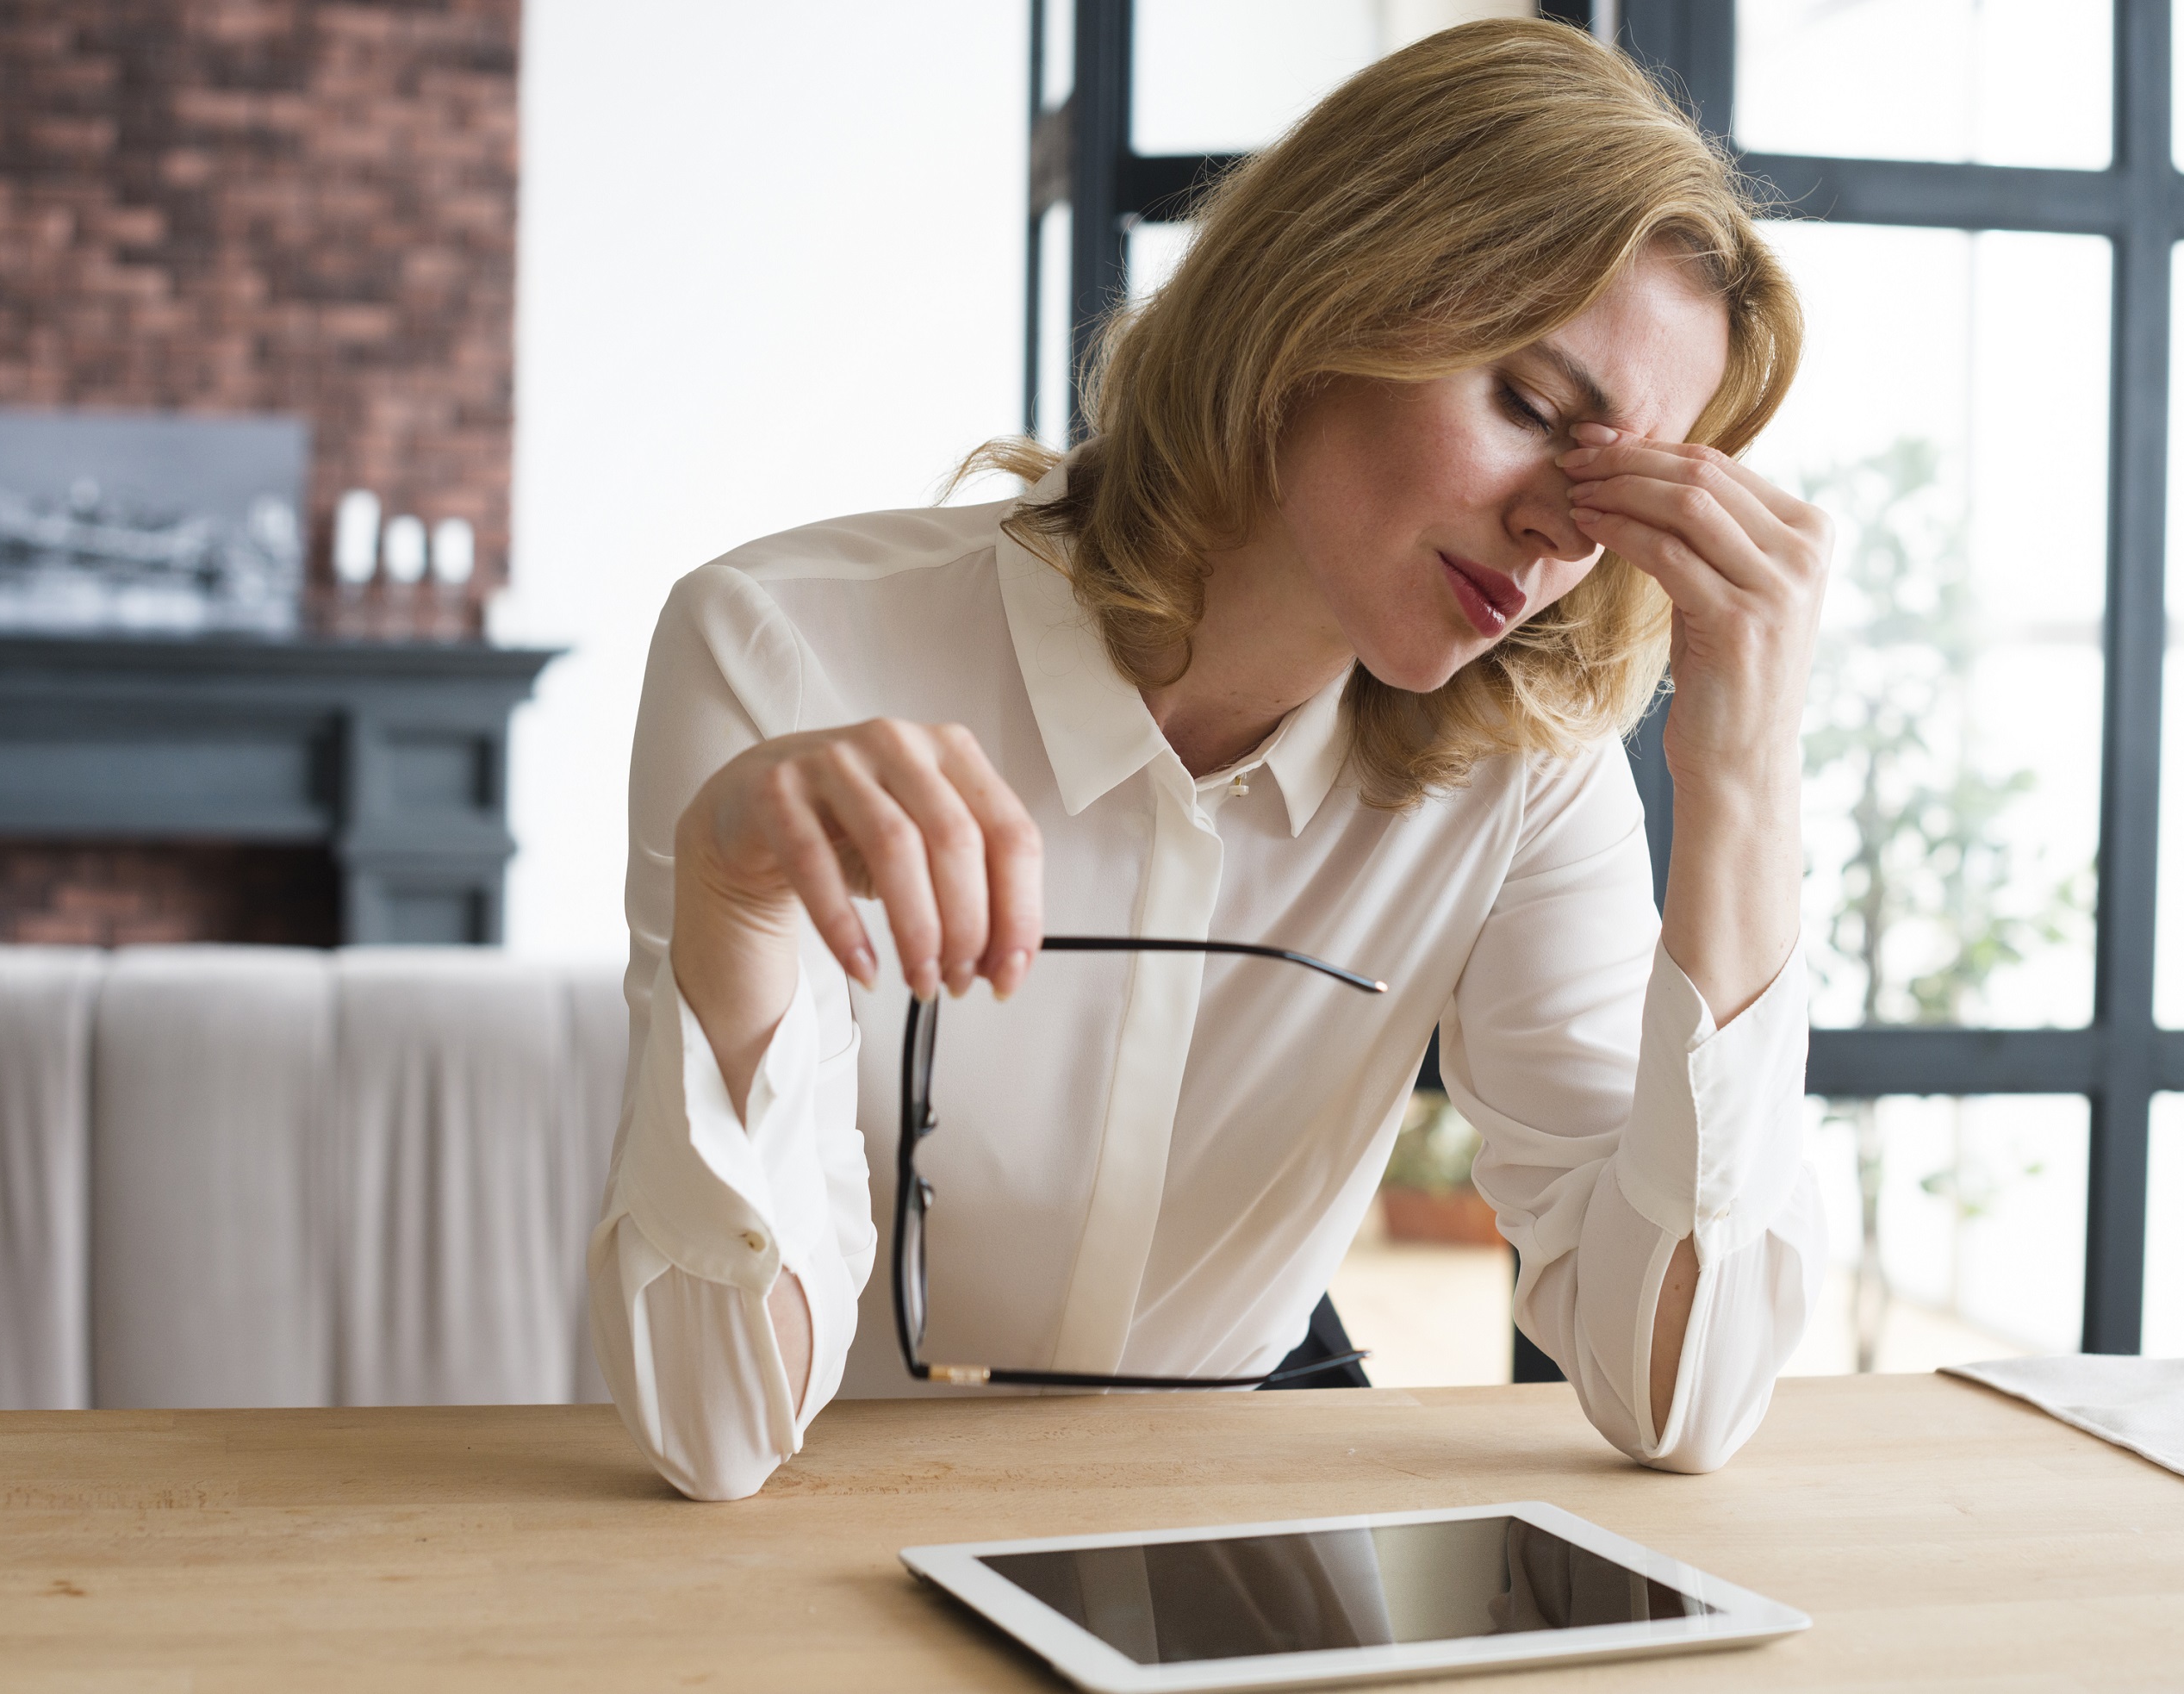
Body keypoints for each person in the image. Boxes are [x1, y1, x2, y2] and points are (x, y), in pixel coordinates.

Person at [588, 17, 1830, 1502]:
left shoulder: (1521, 771)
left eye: (1625, 481)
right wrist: (733, 900)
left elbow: (1680, 1396)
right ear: (1322, 303)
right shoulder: (783, 652)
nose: (1562, 531)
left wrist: (1743, 765)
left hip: (1249, 1532)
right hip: (833, 1525)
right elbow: (717, 1432)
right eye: (1526, 408)